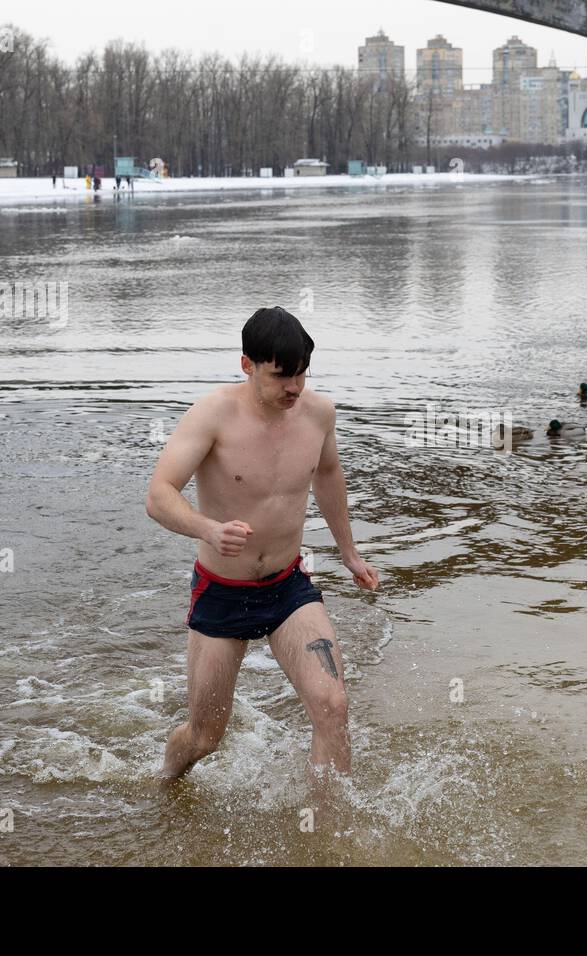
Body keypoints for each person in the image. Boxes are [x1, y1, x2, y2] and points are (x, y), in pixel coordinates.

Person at [146, 306, 379, 805]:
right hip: (222, 594)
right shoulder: (213, 415)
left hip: (288, 587)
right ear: (247, 365)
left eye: (301, 374)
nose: (294, 388)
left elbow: (329, 474)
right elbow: (159, 494)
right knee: (206, 738)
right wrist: (207, 528)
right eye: (281, 376)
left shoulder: (318, 413)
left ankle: (328, 838)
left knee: (332, 705)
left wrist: (349, 552)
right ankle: (163, 786)